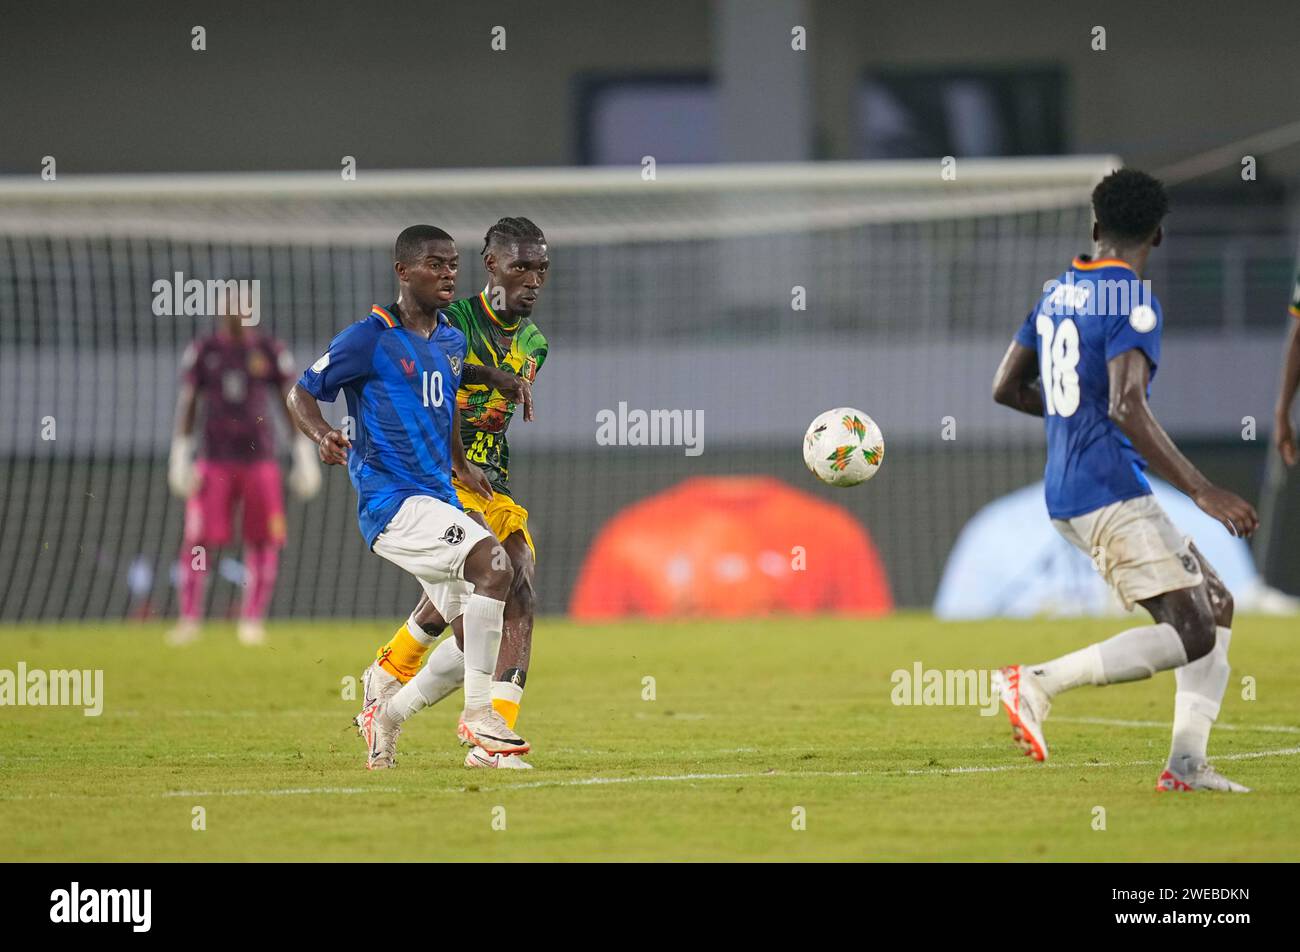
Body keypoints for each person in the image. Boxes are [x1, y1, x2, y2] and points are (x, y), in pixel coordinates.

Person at [991, 168, 1259, 792]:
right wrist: (1201, 489)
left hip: (1072, 488)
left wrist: (1071, 417)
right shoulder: (1133, 300)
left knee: (1215, 605)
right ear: (1158, 235)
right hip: (1107, 487)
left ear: (1094, 226)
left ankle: (1187, 768)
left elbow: (1005, 388)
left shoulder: (1056, 293)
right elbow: (1126, 405)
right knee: (1192, 631)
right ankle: (1038, 681)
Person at [287, 225, 526, 769]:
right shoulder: (367, 338)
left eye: (453, 265)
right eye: (435, 265)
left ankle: (386, 713)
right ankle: (479, 715)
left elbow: (446, 392)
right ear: (403, 271)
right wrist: (322, 434)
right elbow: (300, 391)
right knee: (494, 563)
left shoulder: (448, 337)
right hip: (391, 503)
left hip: (438, 496)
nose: (448, 275)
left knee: (473, 637)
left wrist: (462, 460)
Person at [358, 217, 548, 770]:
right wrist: (490, 377)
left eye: (541, 269)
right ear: (490, 266)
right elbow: (428, 369)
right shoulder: (450, 319)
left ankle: (394, 696)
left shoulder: (536, 344)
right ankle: (457, 721)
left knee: (505, 590)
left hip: (488, 478)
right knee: (490, 588)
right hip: (434, 480)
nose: (533, 280)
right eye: (521, 267)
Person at [167, 294, 320, 646]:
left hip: (260, 458)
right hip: (214, 458)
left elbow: (289, 400)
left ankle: (251, 620)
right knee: (198, 540)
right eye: (230, 306)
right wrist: (180, 453)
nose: (237, 313)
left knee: (264, 539)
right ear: (221, 311)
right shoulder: (204, 350)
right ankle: (189, 619)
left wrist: (303, 452)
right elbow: (189, 402)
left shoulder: (268, 350)